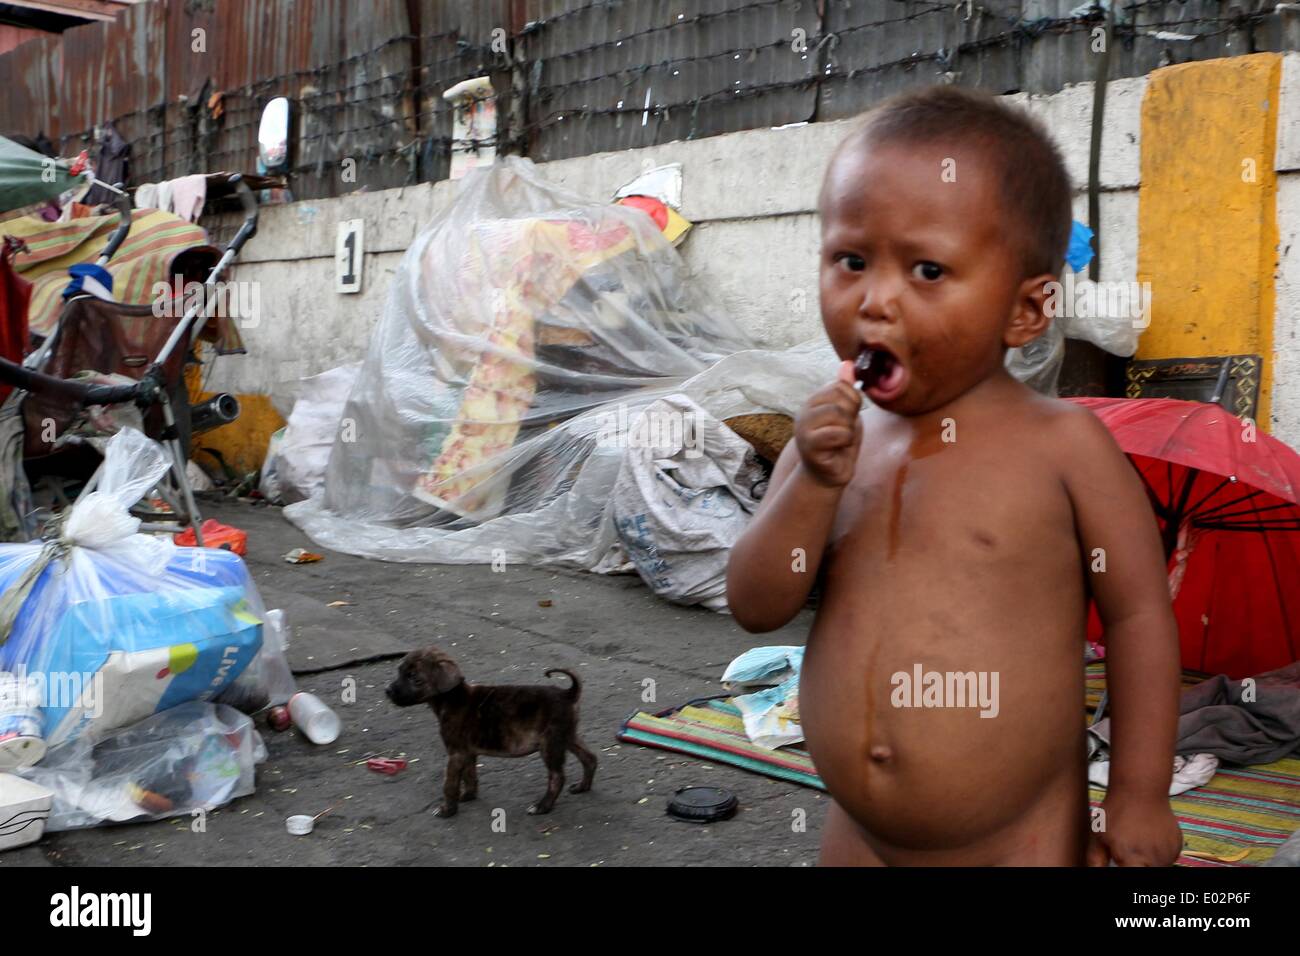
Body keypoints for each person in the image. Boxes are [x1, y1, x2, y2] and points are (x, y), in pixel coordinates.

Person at [725, 85, 1183, 866]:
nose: (876, 301)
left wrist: (1140, 795)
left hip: (1021, 838)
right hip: (861, 834)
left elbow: (1140, 618)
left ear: (1026, 311)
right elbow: (756, 604)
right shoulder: (829, 439)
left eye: (928, 270)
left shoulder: (1065, 447)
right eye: (852, 260)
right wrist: (811, 485)